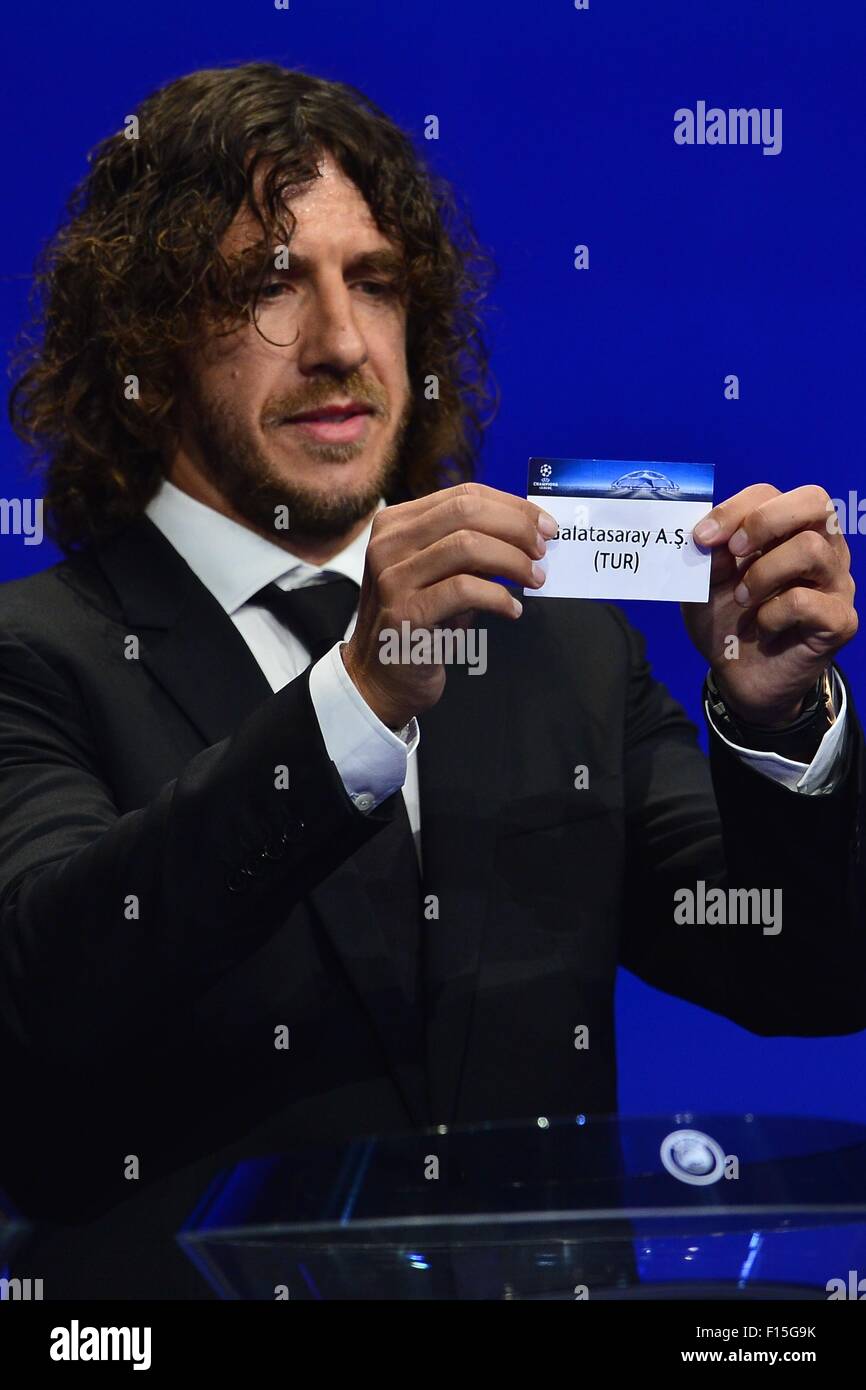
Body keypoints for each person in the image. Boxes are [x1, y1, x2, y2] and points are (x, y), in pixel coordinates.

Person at [2, 62, 863, 1300]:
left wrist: (776, 722)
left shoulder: (557, 652)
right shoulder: (38, 659)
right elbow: (45, 1005)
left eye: (376, 284)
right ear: (146, 338)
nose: (341, 342)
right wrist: (359, 693)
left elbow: (799, 973)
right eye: (267, 286)